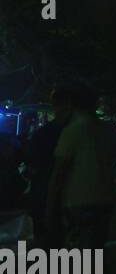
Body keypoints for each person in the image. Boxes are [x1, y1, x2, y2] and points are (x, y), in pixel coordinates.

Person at [47, 85, 116, 250]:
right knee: (96, 250)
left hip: (78, 202)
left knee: (79, 253)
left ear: (71, 104)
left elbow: (59, 172)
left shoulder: (73, 130)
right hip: (105, 200)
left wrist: (50, 208)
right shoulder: (109, 131)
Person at [26, 89, 73, 248]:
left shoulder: (44, 133)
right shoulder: (77, 132)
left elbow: (32, 164)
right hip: (68, 193)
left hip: (44, 191)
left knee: (45, 237)